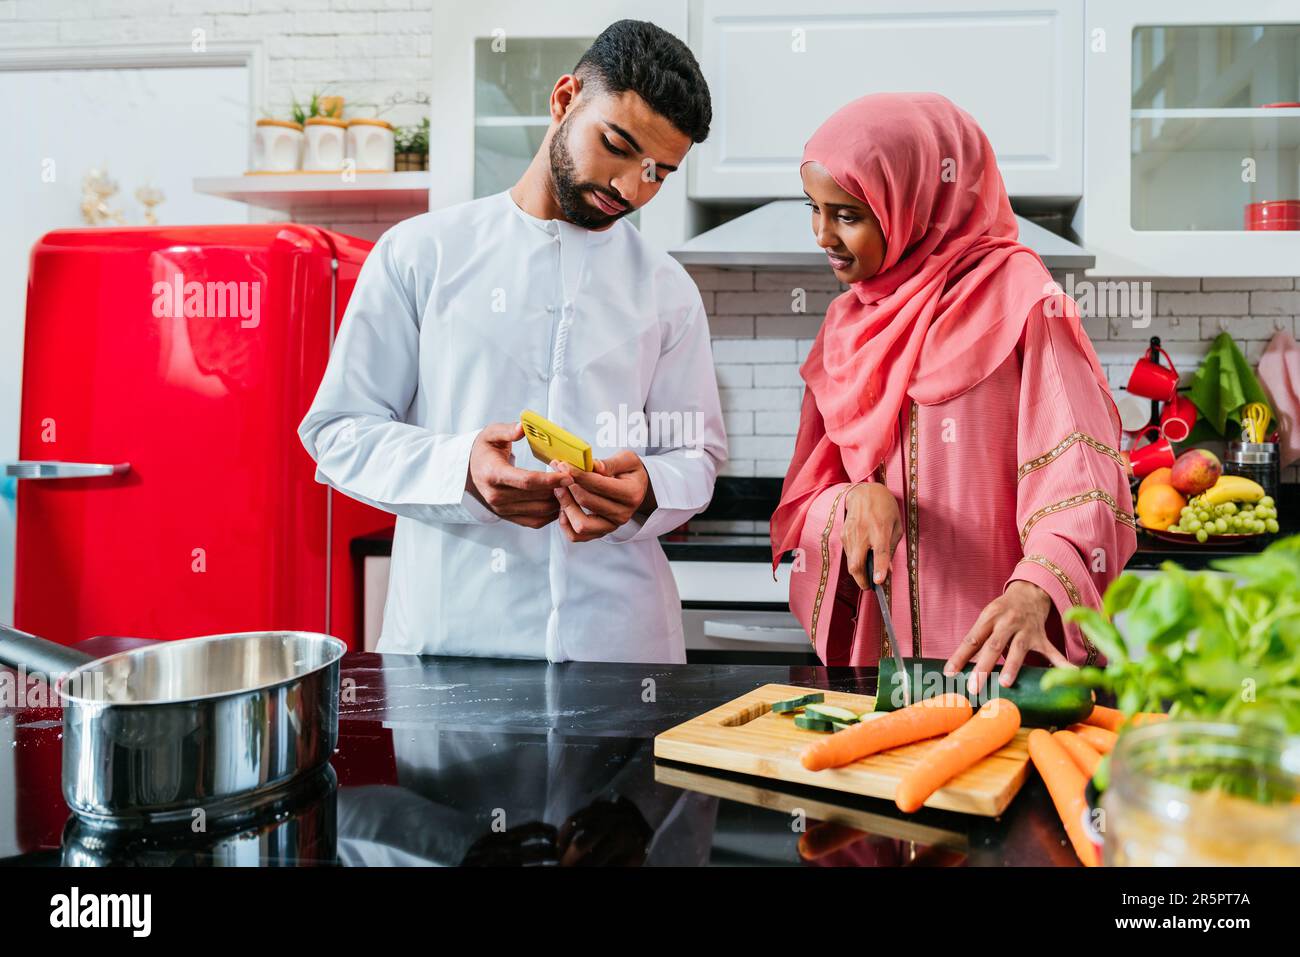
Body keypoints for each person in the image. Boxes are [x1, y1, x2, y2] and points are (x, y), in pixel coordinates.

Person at [300, 20, 726, 662]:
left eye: (658, 173)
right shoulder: (421, 254)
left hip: (623, 651)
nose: (630, 189)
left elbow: (696, 452)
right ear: (563, 100)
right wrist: (461, 470)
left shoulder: (667, 288)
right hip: (452, 643)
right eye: (616, 145)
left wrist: (649, 490)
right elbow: (338, 431)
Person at [771, 93, 1136, 693]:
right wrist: (850, 502)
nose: (822, 235)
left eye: (848, 215)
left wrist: (1034, 588)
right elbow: (812, 490)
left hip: (1008, 670)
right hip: (887, 678)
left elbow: (1083, 478)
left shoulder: (1023, 299)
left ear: (915, 204)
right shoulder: (847, 322)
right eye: (814, 209)